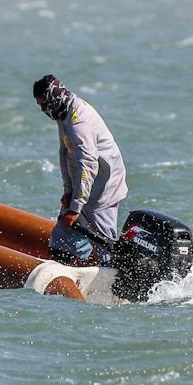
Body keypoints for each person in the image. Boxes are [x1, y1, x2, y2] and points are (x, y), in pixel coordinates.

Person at [32, 73, 127, 264]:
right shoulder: (63, 112)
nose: (43, 111)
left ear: (53, 99)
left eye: (43, 105)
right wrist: (68, 192)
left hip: (104, 185)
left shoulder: (78, 122)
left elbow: (88, 164)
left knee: (103, 244)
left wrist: (76, 208)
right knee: (62, 236)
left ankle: (112, 273)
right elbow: (64, 153)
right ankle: (68, 268)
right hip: (83, 185)